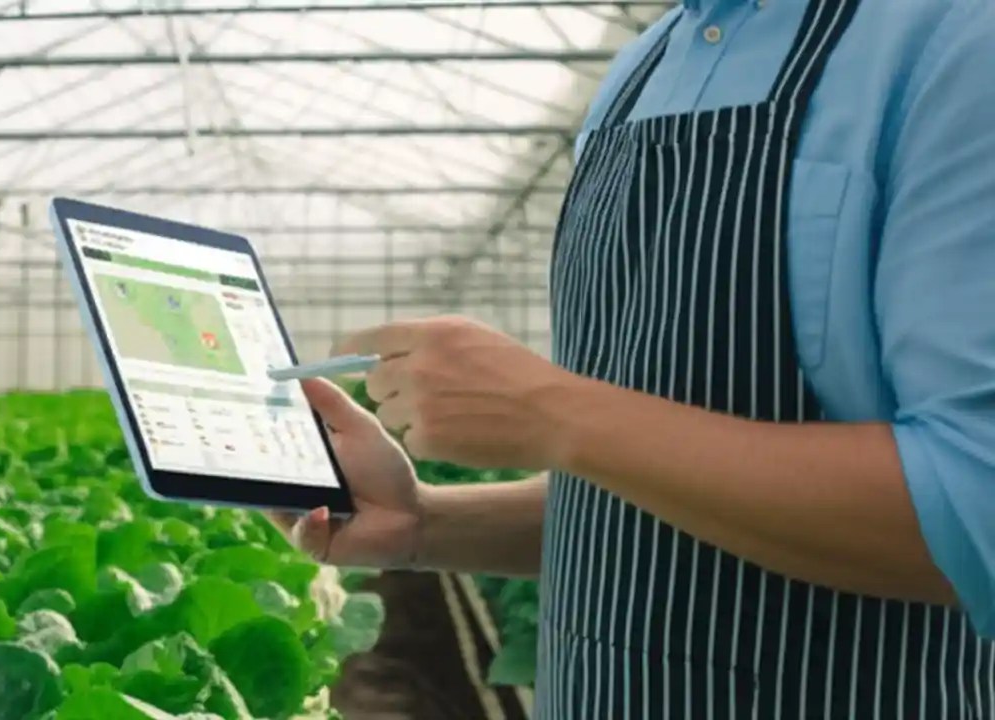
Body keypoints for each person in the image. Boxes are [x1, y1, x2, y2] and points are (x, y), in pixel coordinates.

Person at [274, 0, 995, 717]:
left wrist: (554, 412)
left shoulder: (955, 41)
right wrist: (426, 523)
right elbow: (655, 500)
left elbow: (974, 505)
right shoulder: (639, 72)